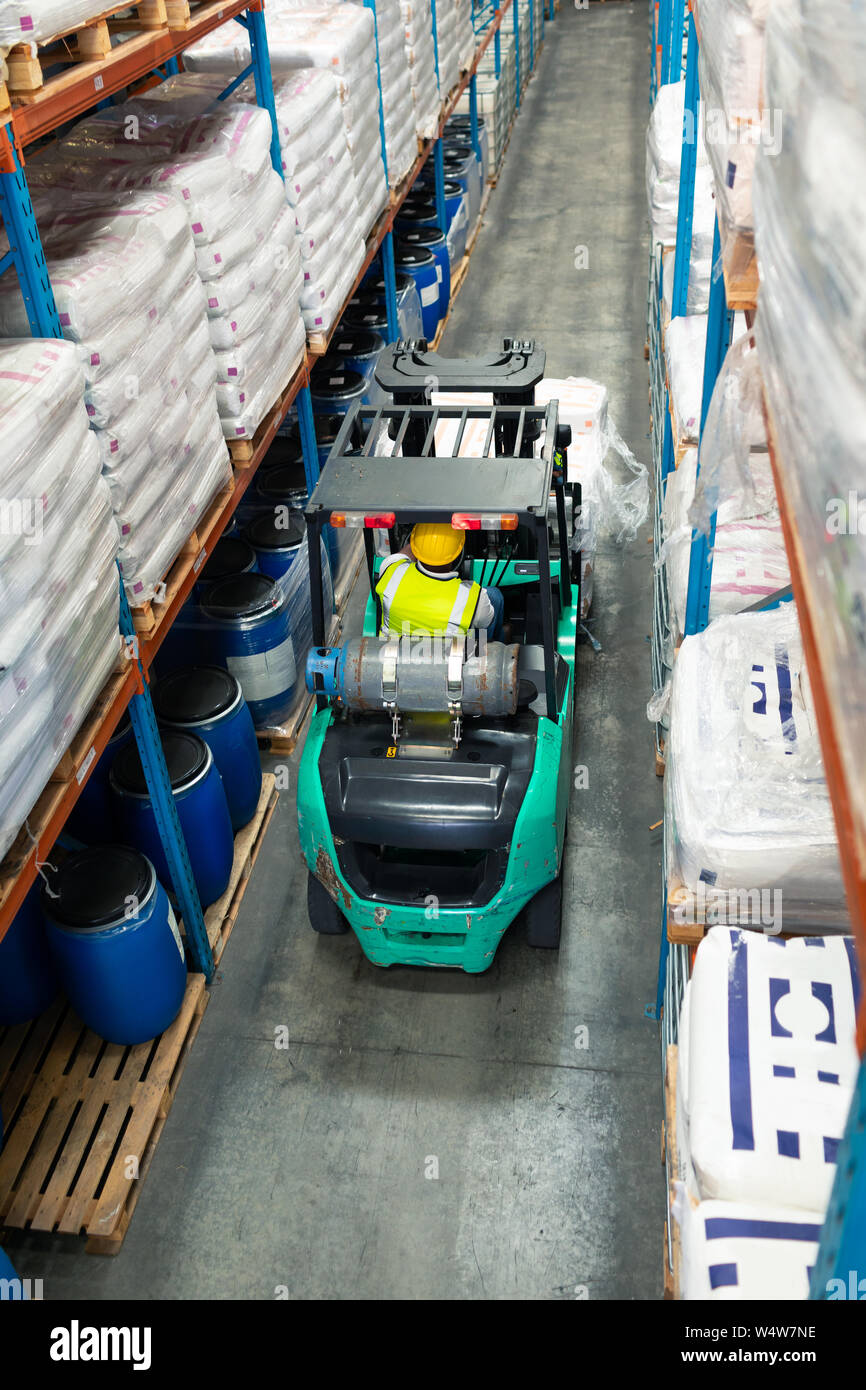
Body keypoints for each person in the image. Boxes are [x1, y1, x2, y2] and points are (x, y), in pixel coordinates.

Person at [375, 523, 505, 642]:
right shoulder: (473, 597)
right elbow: (487, 622)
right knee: (494, 595)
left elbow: (404, 553)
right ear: (458, 551)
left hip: (394, 654)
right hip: (452, 662)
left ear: (416, 547)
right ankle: (498, 643)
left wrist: (423, 542)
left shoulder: (391, 570)